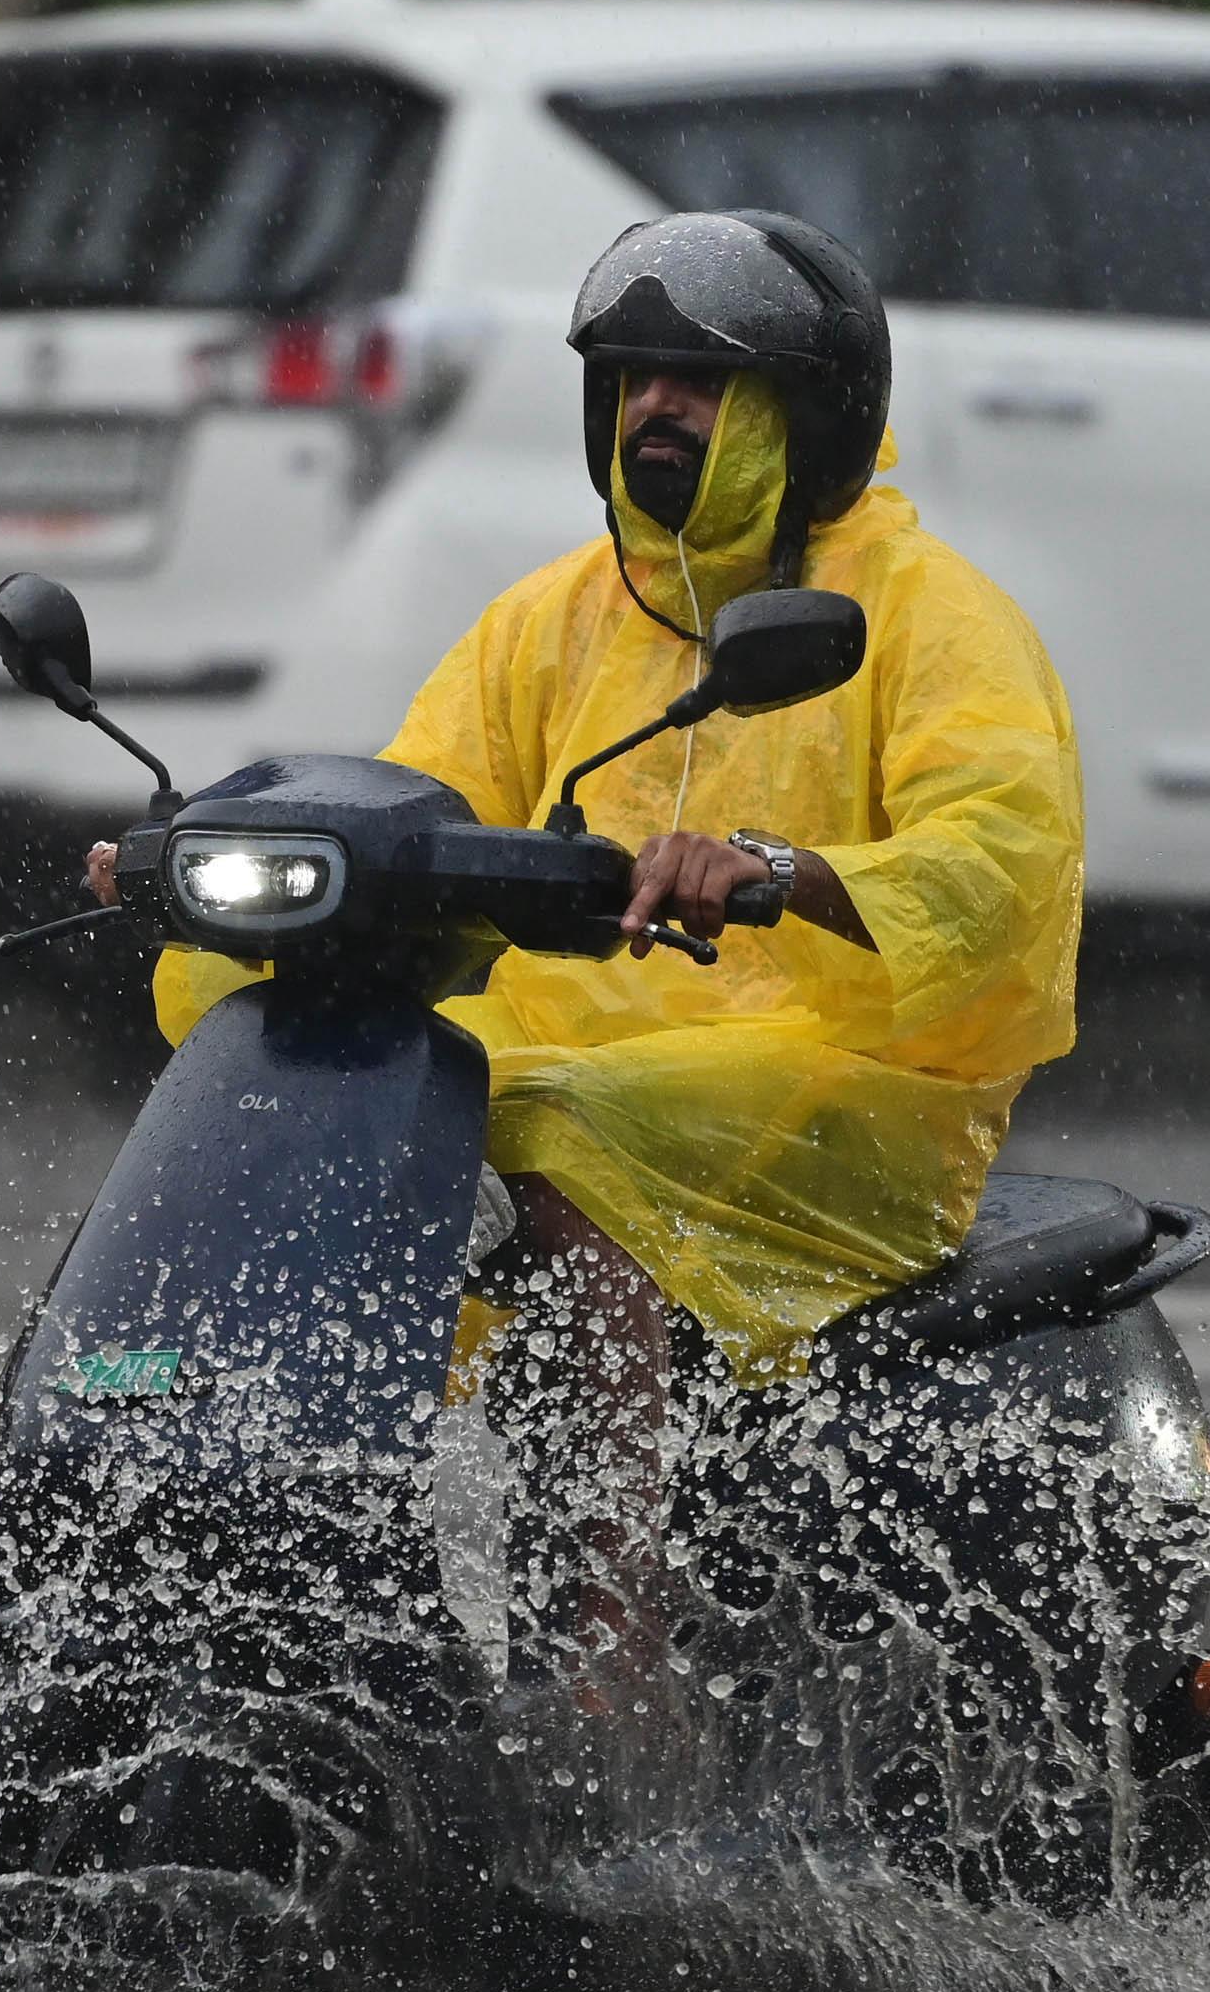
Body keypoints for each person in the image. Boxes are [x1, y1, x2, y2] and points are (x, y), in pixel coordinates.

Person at [89, 211, 1083, 1694]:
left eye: (698, 383)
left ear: (807, 420)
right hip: (589, 1054)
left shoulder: (925, 618)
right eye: (628, 380)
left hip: (856, 1082)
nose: (653, 413)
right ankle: (258, 1588)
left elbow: (1002, 854)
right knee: (296, 1104)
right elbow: (413, 808)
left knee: (548, 1129)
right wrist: (210, 874)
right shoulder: (548, 623)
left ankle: (601, 1664)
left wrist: (779, 869)